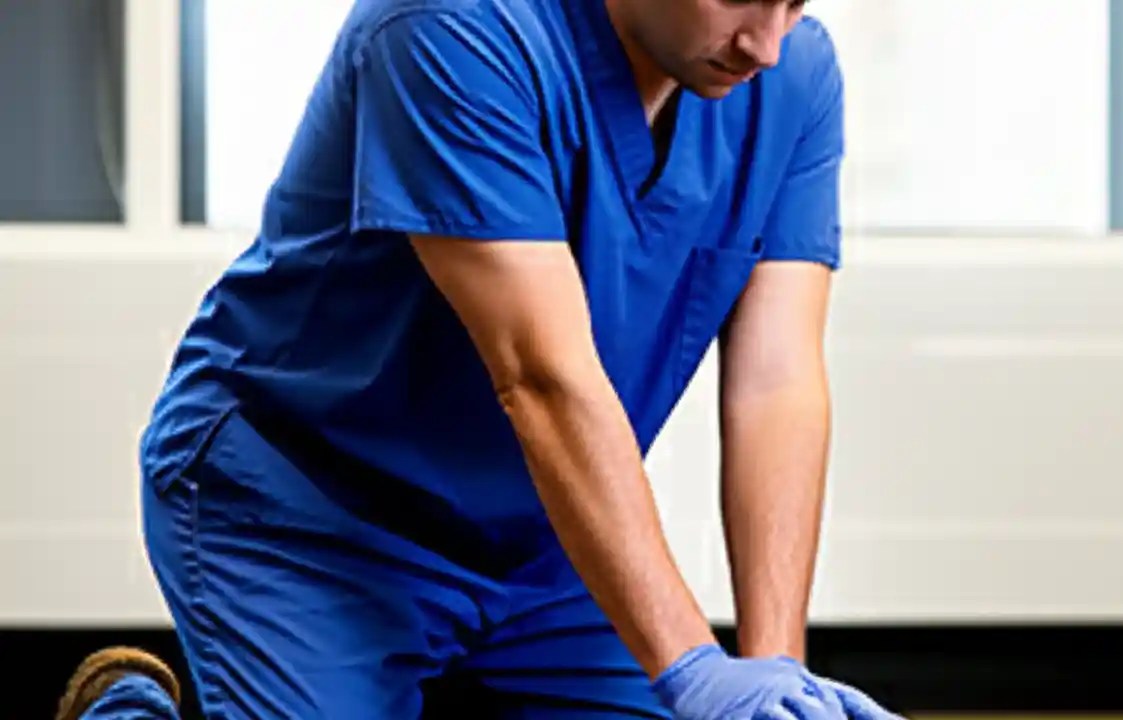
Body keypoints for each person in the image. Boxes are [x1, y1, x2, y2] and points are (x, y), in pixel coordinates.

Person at [79, 0, 905, 716]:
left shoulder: (794, 78)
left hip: (541, 537)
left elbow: (775, 382)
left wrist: (775, 679)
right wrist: (689, 666)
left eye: (794, 3)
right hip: (306, 516)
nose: (765, 43)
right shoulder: (451, 29)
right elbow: (543, 378)